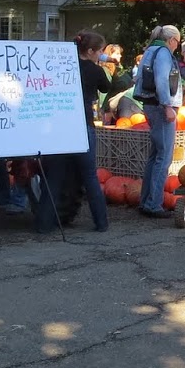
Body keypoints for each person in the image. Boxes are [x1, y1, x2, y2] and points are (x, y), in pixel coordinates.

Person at [53, 30, 110, 231]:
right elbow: (106, 87)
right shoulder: (95, 70)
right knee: (89, 175)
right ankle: (101, 222)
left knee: (61, 173)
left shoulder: (63, 66)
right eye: (100, 51)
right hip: (84, 123)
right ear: (91, 51)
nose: (101, 54)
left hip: (62, 124)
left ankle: (57, 217)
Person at [134, 25, 182, 217]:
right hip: (160, 107)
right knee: (164, 157)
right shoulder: (163, 53)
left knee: (155, 156)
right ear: (172, 40)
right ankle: (153, 204)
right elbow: (162, 80)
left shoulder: (150, 50)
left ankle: (146, 200)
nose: (177, 47)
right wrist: (167, 106)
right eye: (177, 42)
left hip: (150, 105)